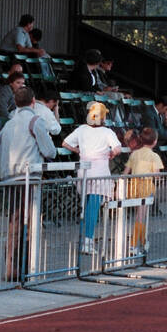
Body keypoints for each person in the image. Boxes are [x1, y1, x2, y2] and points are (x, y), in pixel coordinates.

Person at [0, 85, 57, 281]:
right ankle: (25, 269)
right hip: (28, 177)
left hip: (9, 176)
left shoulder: (8, 125)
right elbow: (49, 151)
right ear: (33, 102)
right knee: (28, 223)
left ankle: (11, 268)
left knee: (14, 223)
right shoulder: (36, 121)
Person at [62, 101, 122, 255]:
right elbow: (117, 149)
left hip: (84, 170)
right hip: (99, 172)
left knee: (87, 206)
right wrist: (111, 154)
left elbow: (65, 143)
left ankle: (86, 239)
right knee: (93, 208)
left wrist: (79, 151)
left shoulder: (81, 129)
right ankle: (87, 241)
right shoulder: (108, 132)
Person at [122, 127, 163, 258]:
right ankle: (134, 245)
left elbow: (125, 172)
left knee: (139, 216)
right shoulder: (154, 156)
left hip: (133, 186)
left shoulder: (134, 154)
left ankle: (143, 242)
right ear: (155, 141)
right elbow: (157, 176)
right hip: (146, 187)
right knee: (141, 217)